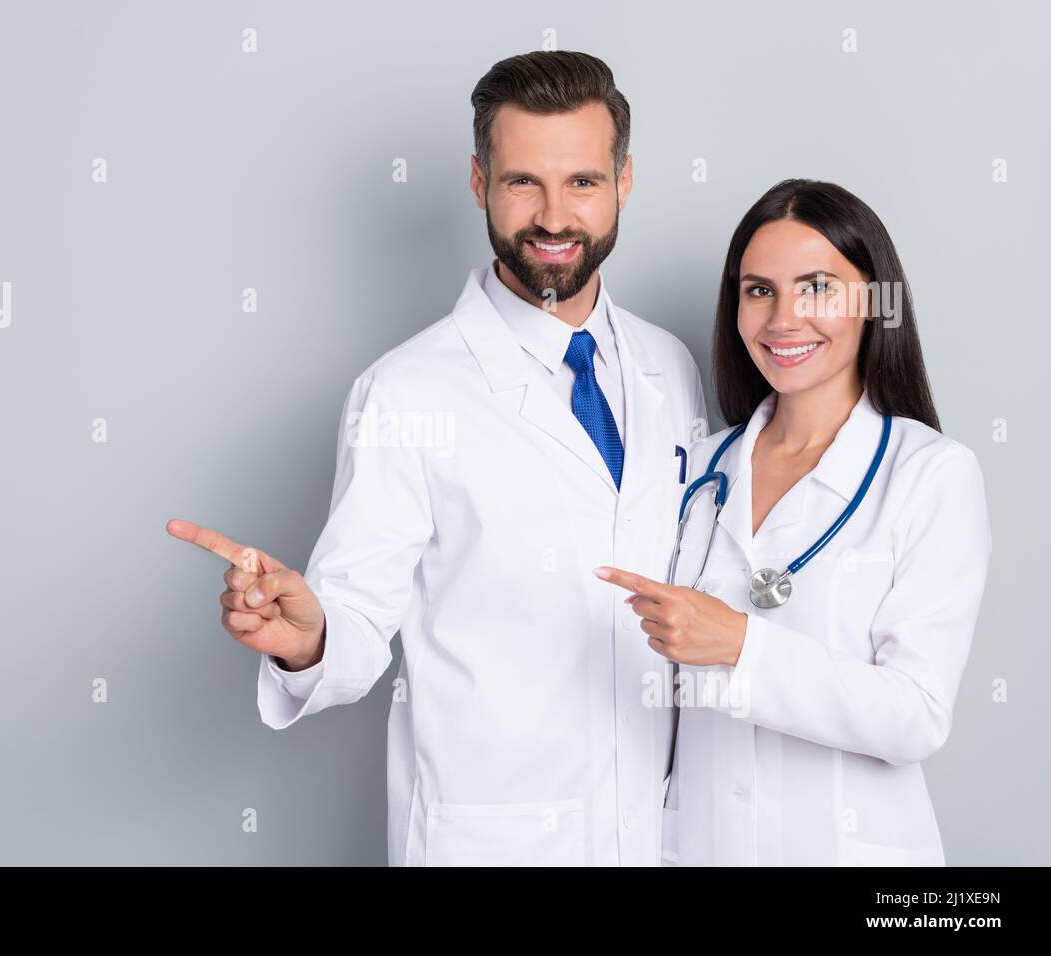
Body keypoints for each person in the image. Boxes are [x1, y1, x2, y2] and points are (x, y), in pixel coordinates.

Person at [167, 51, 706, 865]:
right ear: (479, 182)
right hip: (492, 841)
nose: (555, 217)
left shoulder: (670, 366)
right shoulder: (406, 393)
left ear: (624, 181)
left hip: (656, 833)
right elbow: (351, 616)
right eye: (524, 181)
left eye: (583, 183)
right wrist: (306, 637)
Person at [596, 179, 991, 866]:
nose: (783, 320)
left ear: (871, 301)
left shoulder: (930, 474)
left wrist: (742, 645)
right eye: (758, 291)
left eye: (817, 288)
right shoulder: (699, 468)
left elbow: (916, 714)